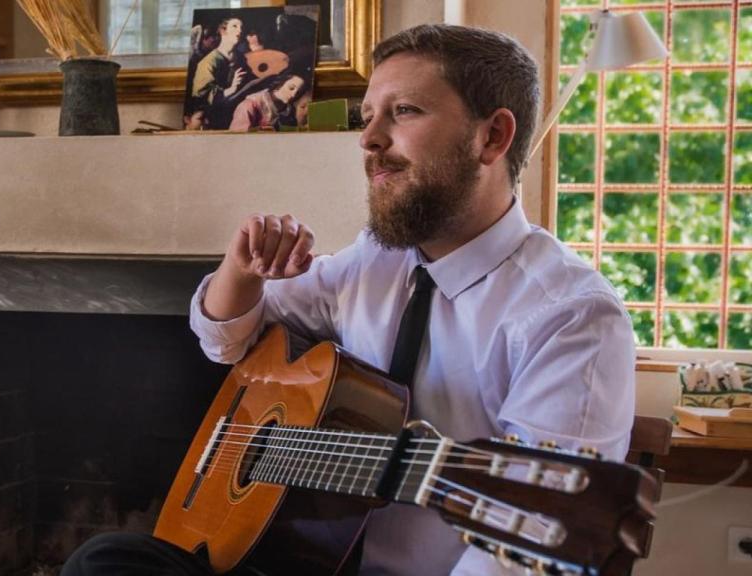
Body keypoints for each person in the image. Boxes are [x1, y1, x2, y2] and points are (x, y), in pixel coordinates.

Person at [62, 24, 636, 576]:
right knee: (106, 560)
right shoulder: (375, 261)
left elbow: (523, 555)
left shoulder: (571, 315)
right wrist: (242, 271)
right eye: (367, 117)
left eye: (403, 111)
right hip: (294, 559)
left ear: (492, 137)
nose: (369, 139)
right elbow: (224, 341)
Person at [188, 17, 248, 129]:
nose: (240, 31)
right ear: (222, 31)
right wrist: (231, 89)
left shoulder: (241, 57)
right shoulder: (208, 62)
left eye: (241, 27)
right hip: (215, 119)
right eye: (235, 26)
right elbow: (201, 97)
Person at [228, 73, 307, 132]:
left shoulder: (289, 110)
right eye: (291, 88)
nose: (293, 95)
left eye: (298, 92)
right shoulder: (250, 105)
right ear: (280, 84)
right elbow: (237, 137)